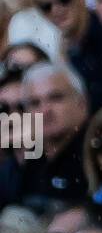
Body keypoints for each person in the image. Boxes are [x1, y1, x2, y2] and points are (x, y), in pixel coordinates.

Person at [0, 62, 89, 214]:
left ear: (82, 103)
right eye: (35, 103)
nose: (45, 110)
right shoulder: (29, 159)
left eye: (56, 98)